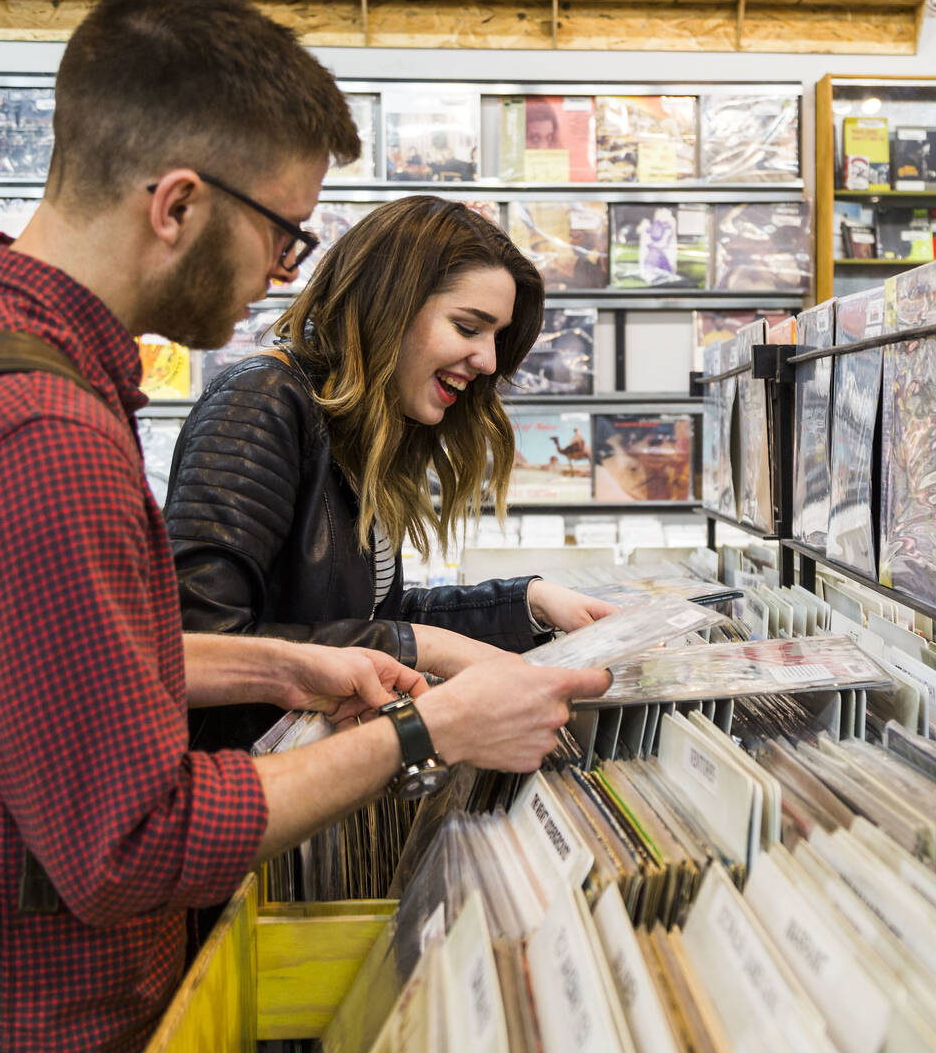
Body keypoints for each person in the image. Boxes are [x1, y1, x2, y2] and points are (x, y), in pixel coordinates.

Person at [0, 0, 608, 1053]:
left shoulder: (6, 359)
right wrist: (426, 732)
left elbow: (69, 668)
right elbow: (130, 846)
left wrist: (287, 661)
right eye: (283, 232)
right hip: (17, 1037)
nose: (285, 272)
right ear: (177, 205)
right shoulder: (38, 432)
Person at [164, 194, 619, 753]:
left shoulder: (358, 430)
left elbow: (374, 617)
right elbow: (199, 645)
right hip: (245, 800)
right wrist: (421, 646)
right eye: (468, 327)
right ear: (389, 305)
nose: (489, 362)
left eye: (496, 337)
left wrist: (529, 601)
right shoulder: (261, 404)